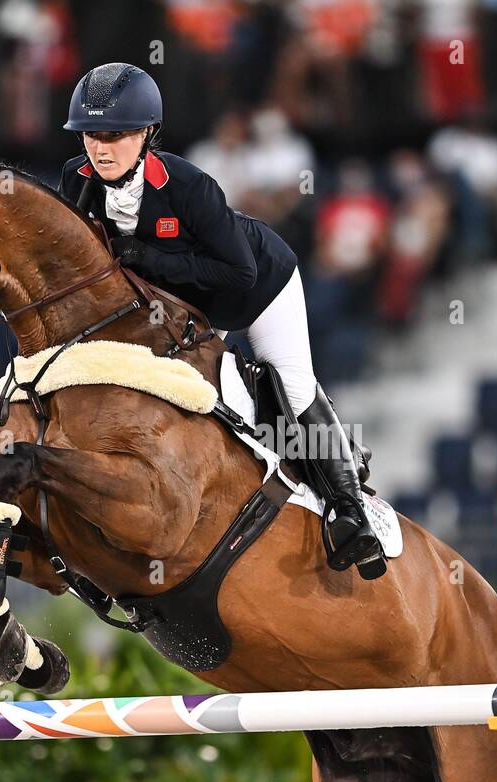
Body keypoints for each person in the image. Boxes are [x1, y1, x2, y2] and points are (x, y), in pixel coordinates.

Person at [56, 62, 385, 578]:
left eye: (115, 135)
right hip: (184, 310)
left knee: (292, 387)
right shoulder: (76, 182)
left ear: (147, 134)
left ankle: (351, 513)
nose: (100, 148)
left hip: (258, 288)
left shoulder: (190, 187)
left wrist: (147, 257)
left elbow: (237, 272)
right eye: (91, 136)